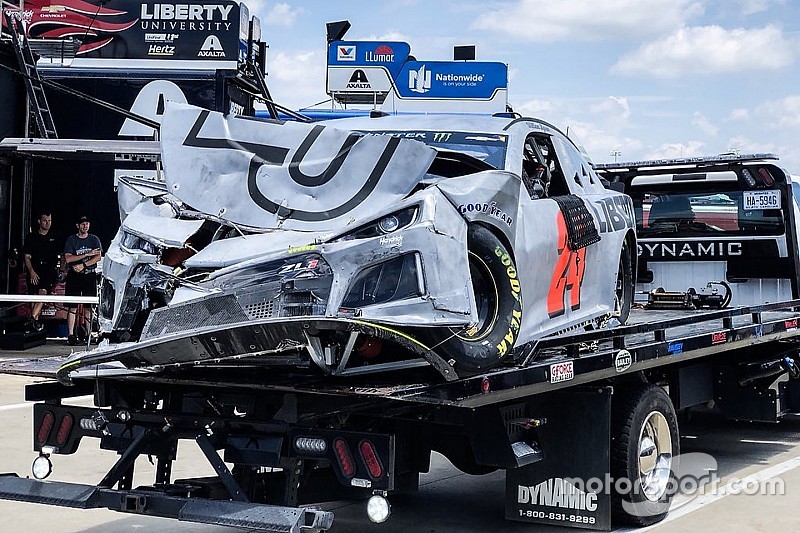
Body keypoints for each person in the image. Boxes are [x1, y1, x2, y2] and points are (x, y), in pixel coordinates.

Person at [63, 215, 102, 346]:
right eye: (83, 224)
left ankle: (89, 334)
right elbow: (68, 258)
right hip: (74, 275)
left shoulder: (94, 239)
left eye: (87, 224)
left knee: (88, 306)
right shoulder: (72, 240)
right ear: (77, 226)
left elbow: (98, 257)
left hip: (89, 274)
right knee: (72, 306)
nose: (85, 226)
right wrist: (86, 254)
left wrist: (83, 265)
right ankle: (70, 334)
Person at [23, 211, 60, 331]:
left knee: (43, 292)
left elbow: (63, 255)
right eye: (45, 220)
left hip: (49, 270)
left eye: (49, 220)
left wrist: (61, 269)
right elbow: (27, 257)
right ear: (39, 221)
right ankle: (35, 323)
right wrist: (31, 271)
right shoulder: (31, 237)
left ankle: (32, 319)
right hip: (35, 269)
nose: (47, 223)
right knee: (33, 296)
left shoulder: (55, 236)